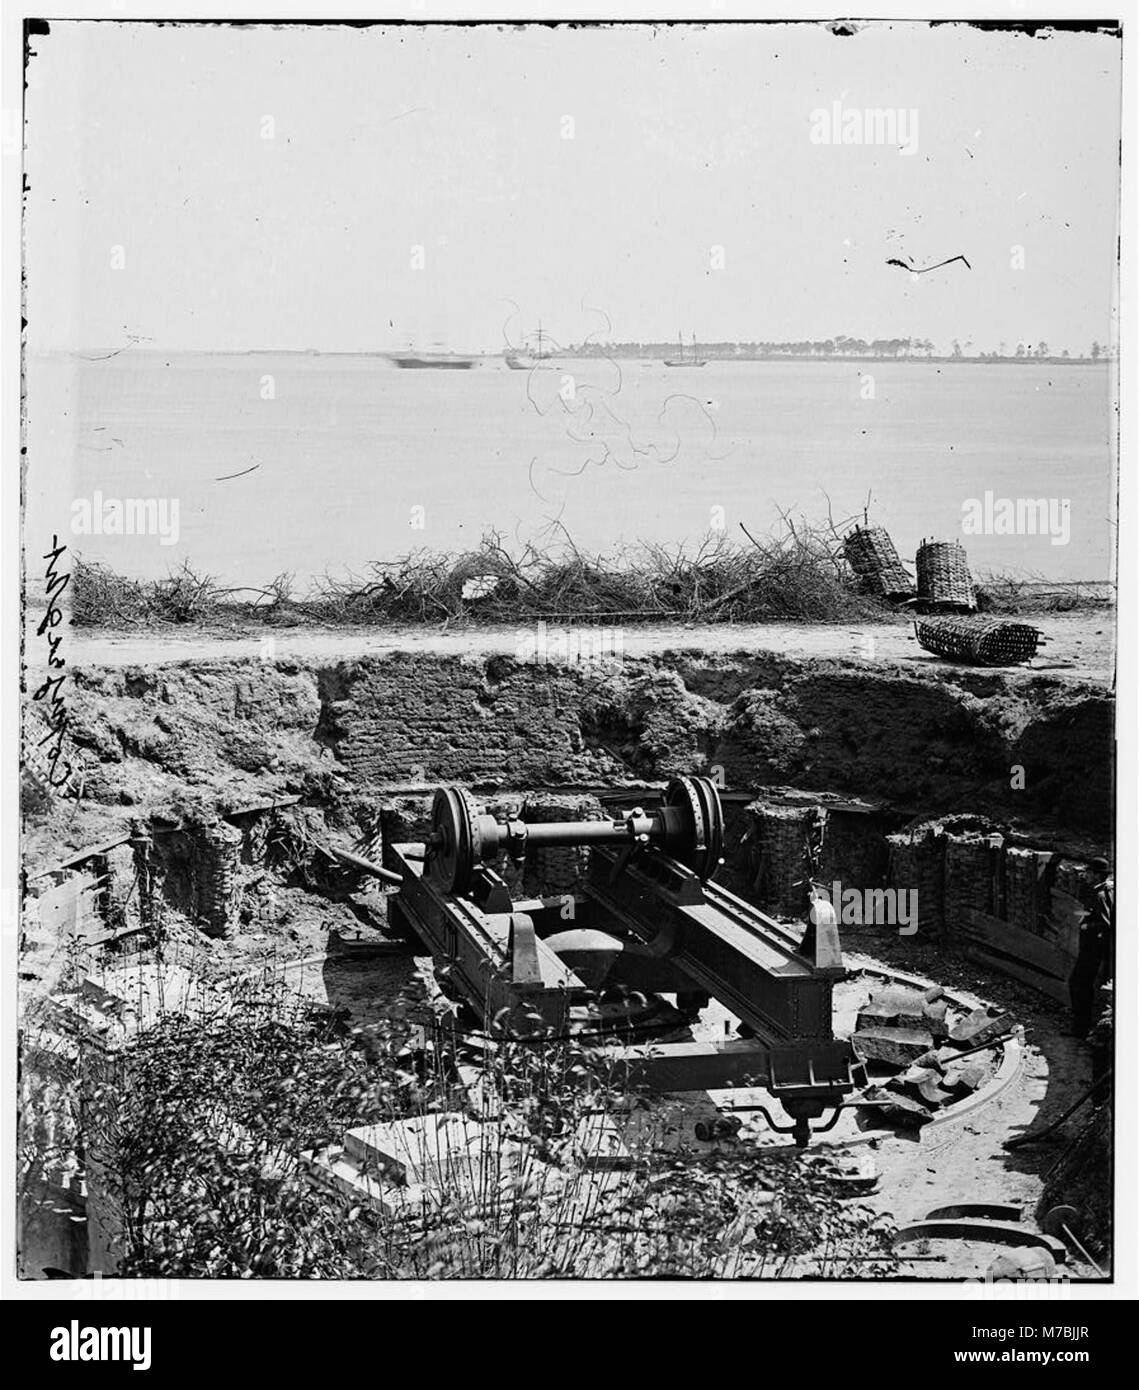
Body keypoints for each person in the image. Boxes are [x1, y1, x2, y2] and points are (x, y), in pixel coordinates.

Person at [1068, 857, 1113, 1037]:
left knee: (1078, 984)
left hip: (1092, 949)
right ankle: (1082, 1027)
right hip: (1094, 949)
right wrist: (1084, 915)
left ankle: (1081, 1029)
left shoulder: (1100, 894)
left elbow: (1106, 923)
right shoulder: (1104, 891)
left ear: (1096, 875)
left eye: (1088, 872)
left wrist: (1087, 926)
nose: (1085, 875)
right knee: (1081, 985)